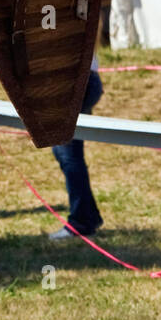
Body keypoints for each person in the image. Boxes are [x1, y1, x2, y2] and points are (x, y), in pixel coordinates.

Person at [48, 56, 104, 239]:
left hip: (74, 81)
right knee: (64, 152)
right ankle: (87, 217)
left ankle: (82, 221)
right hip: (79, 80)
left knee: (68, 154)